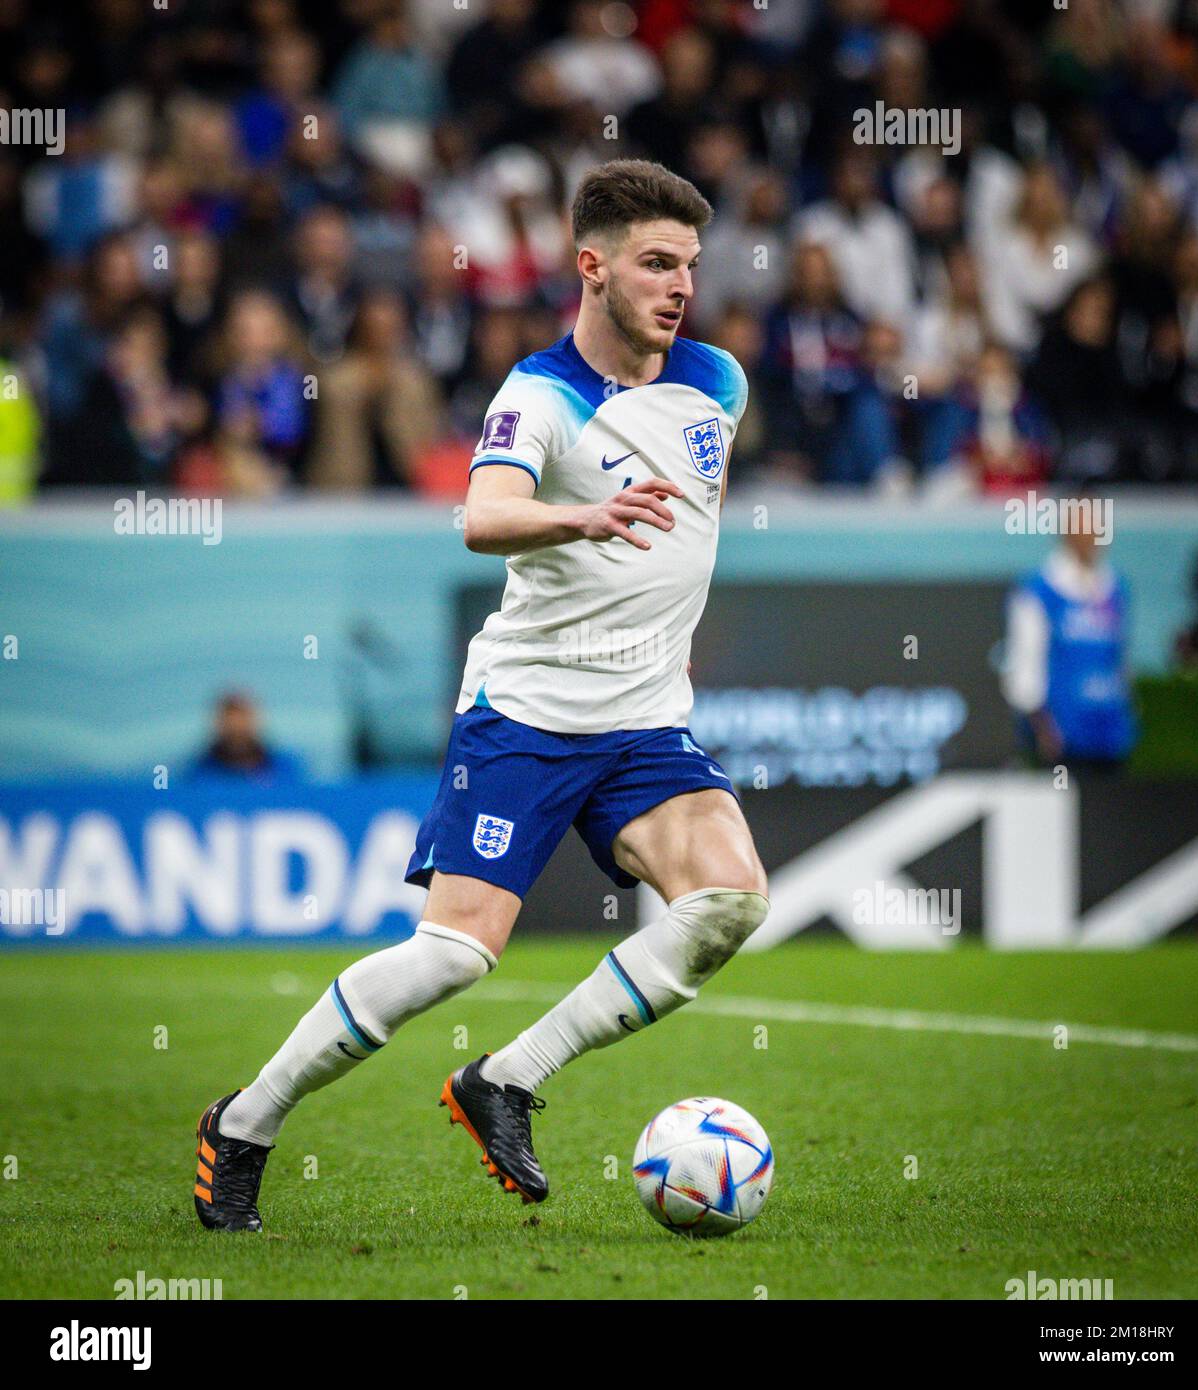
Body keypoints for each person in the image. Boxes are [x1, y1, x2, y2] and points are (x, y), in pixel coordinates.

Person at [193, 159, 769, 1231]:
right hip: (529, 717)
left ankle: (505, 1079)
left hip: (643, 720)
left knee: (729, 899)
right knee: (454, 953)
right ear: (591, 268)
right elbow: (483, 516)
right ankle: (246, 1121)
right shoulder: (536, 396)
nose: (680, 283)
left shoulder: (718, 384)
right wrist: (583, 518)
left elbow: (684, 531)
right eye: (655, 262)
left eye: (689, 263)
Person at [1002, 522, 1137, 773]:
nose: (1093, 534)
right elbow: (1025, 661)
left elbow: (1120, 659)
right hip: (1062, 735)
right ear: (1067, 531)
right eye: (1084, 527)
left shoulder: (1115, 588)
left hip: (1110, 734)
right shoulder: (1040, 590)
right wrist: (1041, 725)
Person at [191, 692, 303, 783]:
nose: (236, 728)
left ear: (255, 722)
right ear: (218, 724)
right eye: (230, 723)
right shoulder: (196, 773)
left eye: (242, 721)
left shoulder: (285, 768)